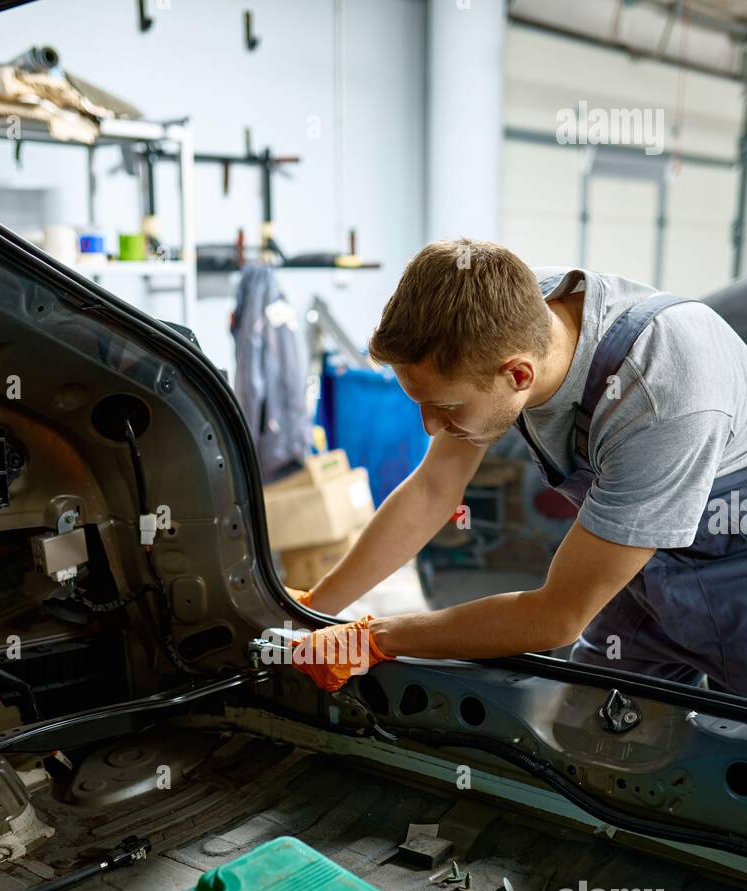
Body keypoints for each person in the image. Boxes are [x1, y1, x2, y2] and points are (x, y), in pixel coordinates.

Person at [290, 239, 747, 695]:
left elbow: (556, 616)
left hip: (733, 579)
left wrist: (377, 638)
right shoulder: (509, 313)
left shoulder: (658, 398)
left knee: (724, 751)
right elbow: (433, 488)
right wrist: (312, 610)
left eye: (445, 406)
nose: (431, 428)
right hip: (641, 566)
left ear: (519, 375)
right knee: (591, 727)